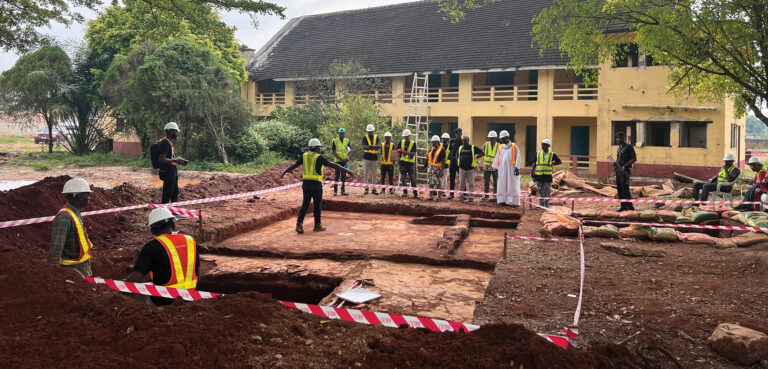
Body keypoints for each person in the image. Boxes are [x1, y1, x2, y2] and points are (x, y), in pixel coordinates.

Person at [125, 208, 199, 305]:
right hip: (190, 295)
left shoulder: (151, 247)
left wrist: (118, 289)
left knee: (132, 296)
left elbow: (134, 279)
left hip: (162, 300)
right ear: (173, 224)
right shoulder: (190, 241)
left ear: (152, 230)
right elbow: (197, 271)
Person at [281, 138, 354, 234]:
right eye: (319, 147)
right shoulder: (319, 157)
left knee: (305, 204)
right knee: (317, 204)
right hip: (316, 184)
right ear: (315, 148)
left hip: (306, 183)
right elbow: (333, 165)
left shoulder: (304, 156)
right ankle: (317, 225)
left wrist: (284, 171)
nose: (320, 149)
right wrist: (347, 170)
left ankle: (299, 224)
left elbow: (294, 165)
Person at [48, 178, 95, 277]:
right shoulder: (64, 217)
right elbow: (56, 247)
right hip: (72, 271)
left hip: (81, 267)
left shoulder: (75, 213)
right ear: (79, 196)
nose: (89, 197)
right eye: (87, 194)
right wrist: (53, 274)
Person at [158, 122, 188, 204]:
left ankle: (174, 212)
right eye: (176, 131)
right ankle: (164, 214)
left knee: (174, 193)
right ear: (170, 131)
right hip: (168, 172)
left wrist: (178, 160)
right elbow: (162, 159)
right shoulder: (165, 143)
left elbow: (169, 158)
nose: (177, 133)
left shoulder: (168, 142)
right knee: (167, 194)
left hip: (172, 171)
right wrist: (175, 160)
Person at [493, 130, 522, 206]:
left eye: (503, 138)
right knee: (502, 184)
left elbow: (518, 158)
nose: (502, 140)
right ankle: (502, 200)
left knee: (513, 184)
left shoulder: (514, 146)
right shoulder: (500, 147)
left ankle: (514, 202)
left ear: (507, 137)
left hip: (511, 170)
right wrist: (496, 169)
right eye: (501, 138)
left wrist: (517, 168)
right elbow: (497, 158)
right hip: (502, 170)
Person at [531, 139, 562, 208]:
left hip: (547, 176)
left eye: (544, 145)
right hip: (539, 176)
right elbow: (534, 164)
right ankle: (541, 205)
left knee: (547, 191)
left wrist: (552, 163)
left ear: (548, 146)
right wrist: (532, 172)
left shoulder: (552, 154)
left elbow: (559, 162)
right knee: (540, 191)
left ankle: (546, 205)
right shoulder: (538, 154)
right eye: (542, 145)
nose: (543, 146)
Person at [614, 132, 637, 211]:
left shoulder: (629, 147)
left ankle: (629, 207)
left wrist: (625, 166)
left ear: (623, 138)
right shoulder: (619, 148)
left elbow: (634, 159)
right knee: (619, 189)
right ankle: (623, 206)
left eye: (619, 138)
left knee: (625, 190)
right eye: (616, 138)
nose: (617, 140)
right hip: (618, 171)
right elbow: (618, 159)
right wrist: (615, 163)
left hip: (625, 172)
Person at [457, 136, 484, 202]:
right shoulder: (460, 148)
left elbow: (482, 153)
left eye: (465, 141)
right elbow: (457, 155)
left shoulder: (473, 147)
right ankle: (461, 195)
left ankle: (471, 196)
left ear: (468, 141)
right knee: (461, 183)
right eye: (463, 141)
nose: (463, 142)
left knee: (471, 183)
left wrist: (476, 158)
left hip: (470, 169)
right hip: (462, 169)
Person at [398, 129, 419, 198]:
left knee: (413, 178)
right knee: (403, 178)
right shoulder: (401, 142)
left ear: (409, 135)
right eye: (405, 136)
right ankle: (405, 192)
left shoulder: (413, 143)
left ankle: (415, 194)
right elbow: (397, 152)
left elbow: (413, 154)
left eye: (407, 136)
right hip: (402, 163)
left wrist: (404, 152)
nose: (406, 137)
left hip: (410, 164)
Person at [426, 135, 447, 201]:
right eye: (432, 142)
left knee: (438, 183)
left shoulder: (442, 150)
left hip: (438, 169)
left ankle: (439, 197)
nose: (432, 143)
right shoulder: (432, 149)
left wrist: (442, 171)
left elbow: (443, 161)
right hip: (431, 169)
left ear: (437, 142)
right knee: (431, 183)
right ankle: (431, 196)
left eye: (434, 142)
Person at [331, 128, 351, 196]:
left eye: (343, 133)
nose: (342, 135)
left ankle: (343, 191)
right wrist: (340, 158)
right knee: (337, 176)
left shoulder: (347, 140)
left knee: (343, 176)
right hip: (337, 161)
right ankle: (335, 191)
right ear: (339, 134)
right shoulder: (335, 140)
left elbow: (350, 150)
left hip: (344, 161)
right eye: (340, 133)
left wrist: (348, 157)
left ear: (344, 134)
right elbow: (334, 152)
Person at [362, 124, 380, 195]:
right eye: (369, 132)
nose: (370, 133)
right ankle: (366, 188)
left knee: (374, 174)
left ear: (373, 131)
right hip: (366, 158)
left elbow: (379, 146)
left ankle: (374, 189)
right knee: (365, 173)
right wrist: (373, 147)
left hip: (374, 158)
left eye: (371, 131)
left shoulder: (376, 137)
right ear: (367, 131)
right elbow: (364, 147)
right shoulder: (365, 138)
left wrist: (370, 146)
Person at [482, 131, 500, 201]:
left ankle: (495, 195)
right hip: (487, 167)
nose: (491, 140)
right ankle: (486, 195)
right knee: (486, 181)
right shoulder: (485, 145)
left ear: (495, 138)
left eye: (493, 138)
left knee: (496, 181)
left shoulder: (499, 146)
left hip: (495, 168)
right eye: (490, 138)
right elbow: (482, 153)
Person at [447, 128, 463, 199]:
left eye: (459, 134)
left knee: (461, 179)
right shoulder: (452, 141)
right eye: (456, 134)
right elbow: (449, 150)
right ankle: (451, 194)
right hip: (453, 162)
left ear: (461, 134)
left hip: (461, 162)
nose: (457, 136)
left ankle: (463, 194)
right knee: (452, 178)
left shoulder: (464, 142)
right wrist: (453, 157)